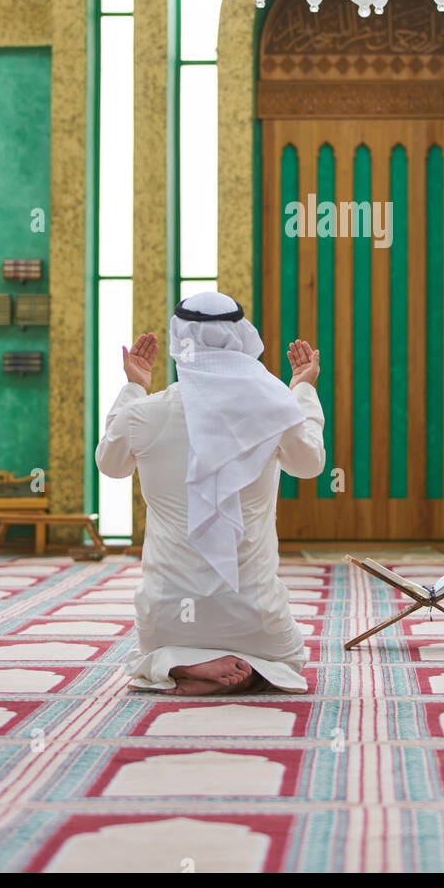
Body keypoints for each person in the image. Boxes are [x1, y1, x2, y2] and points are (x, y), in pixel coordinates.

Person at [95, 290, 325, 695]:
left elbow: (109, 466)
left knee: (154, 644)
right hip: (255, 617)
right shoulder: (275, 409)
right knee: (289, 659)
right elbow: (310, 465)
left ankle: (175, 661)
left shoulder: (145, 412)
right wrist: (302, 390)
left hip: (166, 618)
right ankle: (254, 666)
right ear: (241, 338)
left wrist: (134, 387)